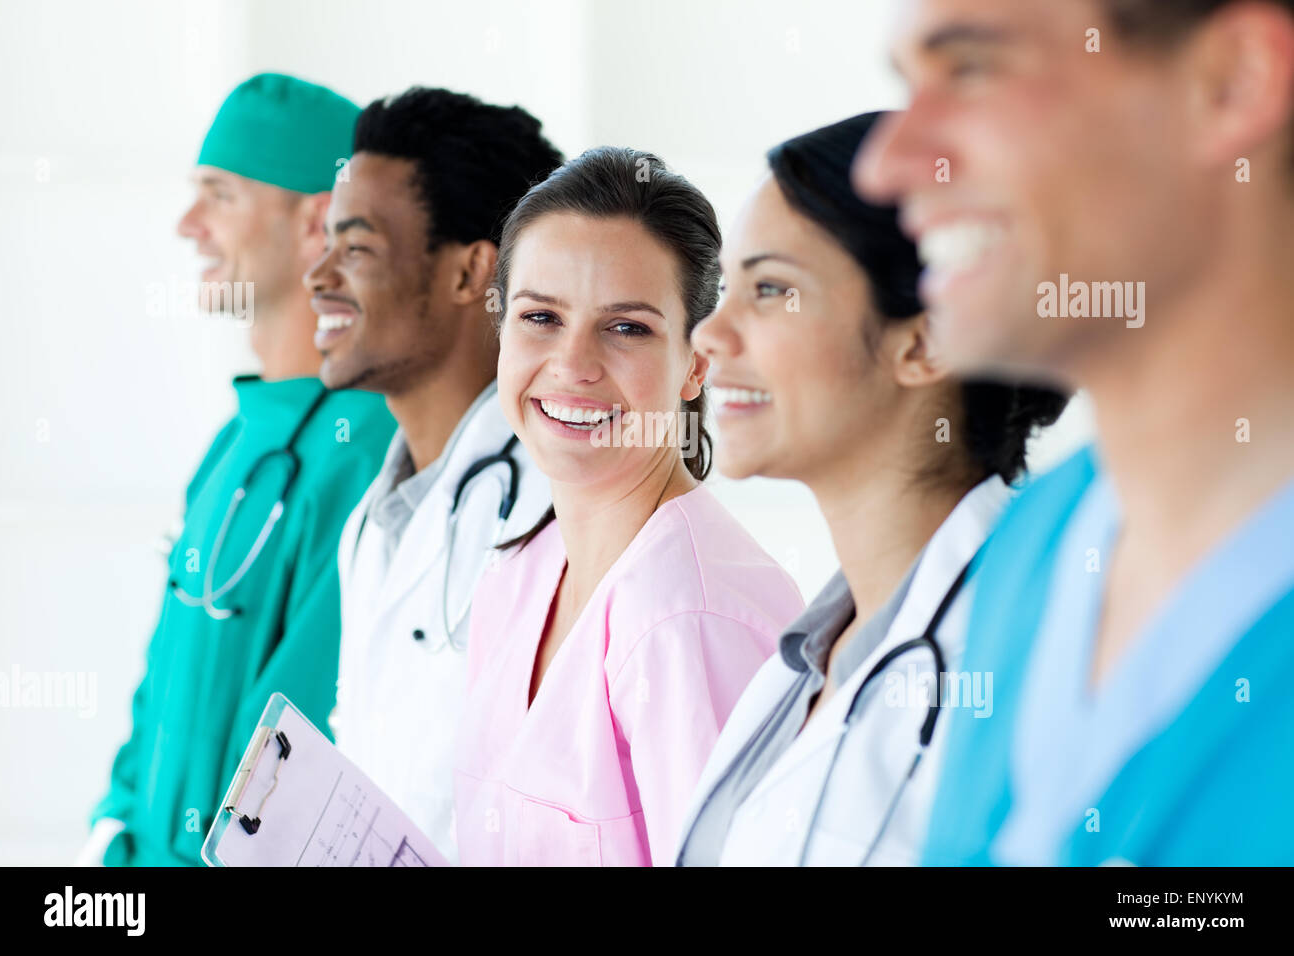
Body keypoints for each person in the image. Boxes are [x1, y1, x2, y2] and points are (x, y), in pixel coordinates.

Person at [855, 0, 1294, 864]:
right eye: (907, 85)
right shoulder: (1037, 542)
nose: (884, 166)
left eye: (971, 67)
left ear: (1232, 83)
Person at [673, 113, 1066, 866]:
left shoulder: (1031, 652)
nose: (708, 336)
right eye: (727, 289)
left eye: (771, 289)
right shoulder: (806, 657)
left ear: (924, 343)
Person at [451, 147, 805, 866]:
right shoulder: (519, 573)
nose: (573, 364)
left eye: (626, 328)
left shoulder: (691, 620)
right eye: (540, 317)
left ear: (697, 362)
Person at [82, 73, 396, 866]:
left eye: (218, 195)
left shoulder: (363, 456)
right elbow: (161, 684)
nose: (188, 225)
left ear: (316, 222)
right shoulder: (234, 444)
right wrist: (111, 837)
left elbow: (292, 770)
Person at [303, 88, 562, 862]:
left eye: (355, 247)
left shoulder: (554, 511)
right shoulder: (371, 525)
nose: (317, 275)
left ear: (468, 273)